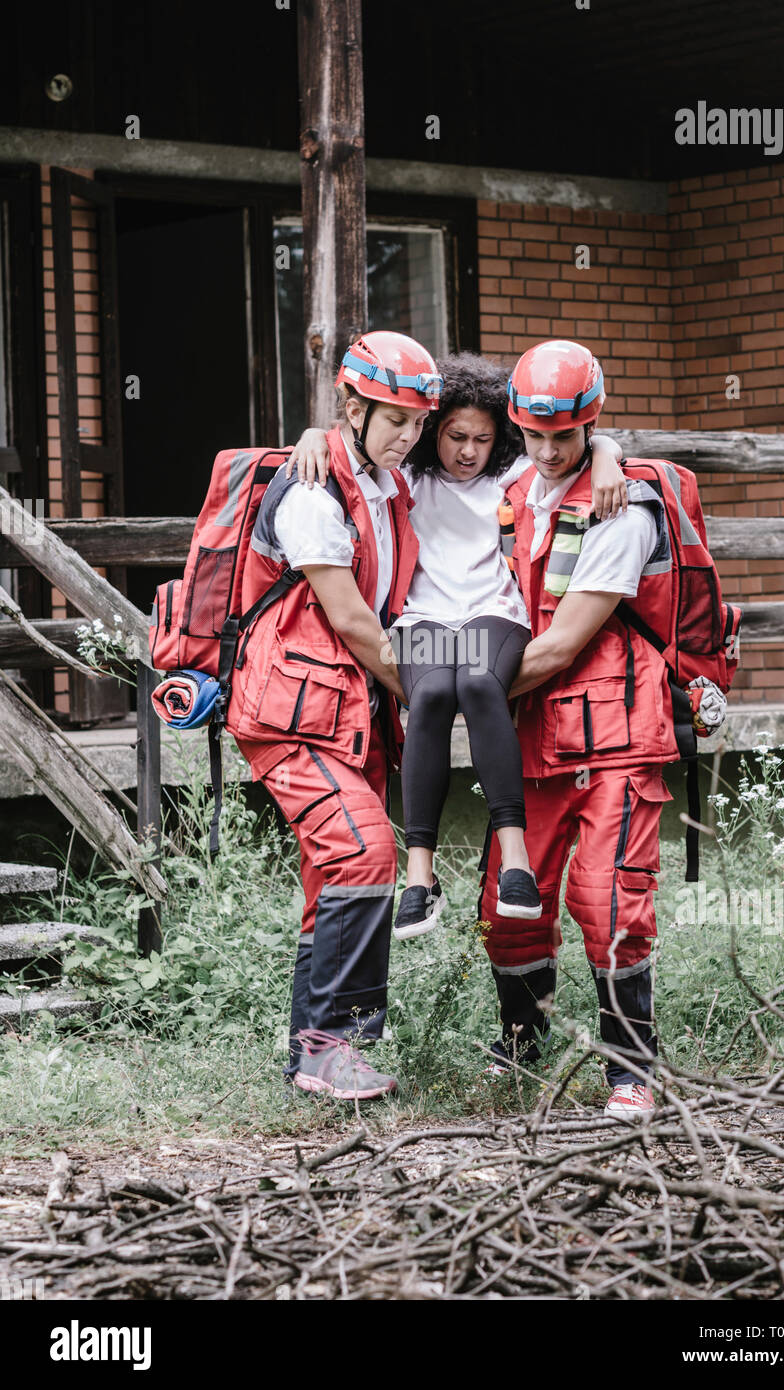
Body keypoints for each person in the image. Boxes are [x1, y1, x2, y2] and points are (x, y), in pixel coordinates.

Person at [290, 352, 628, 940]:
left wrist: (606, 455)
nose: (467, 451)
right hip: (422, 619)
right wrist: (311, 435)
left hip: (496, 614)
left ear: (501, 440)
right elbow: (352, 442)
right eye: (453, 436)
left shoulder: (512, 476)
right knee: (430, 699)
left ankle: (514, 862)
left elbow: (571, 441)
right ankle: (419, 877)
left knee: (475, 681)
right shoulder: (404, 478)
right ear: (432, 429)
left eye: (481, 438)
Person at [227, 329, 440, 1102]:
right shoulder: (313, 492)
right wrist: (426, 690)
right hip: (292, 715)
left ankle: (307, 1061)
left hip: (348, 716)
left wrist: (610, 455)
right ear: (350, 406)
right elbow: (352, 621)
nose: (409, 438)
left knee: (332, 881)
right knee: (363, 854)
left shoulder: (387, 486)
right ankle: (339, 1045)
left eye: (419, 423)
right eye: (394, 421)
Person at [477, 339, 680, 1121]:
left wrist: (463, 694)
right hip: (528, 733)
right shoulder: (508, 484)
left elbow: (561, 643)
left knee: (609, 900)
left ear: (590, 423)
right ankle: (523, 1046)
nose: (549, 450)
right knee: (507, 902)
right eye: (533, 435)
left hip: (617, 727)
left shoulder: (622, 507)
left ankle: (630, 1070)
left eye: (566, 436)